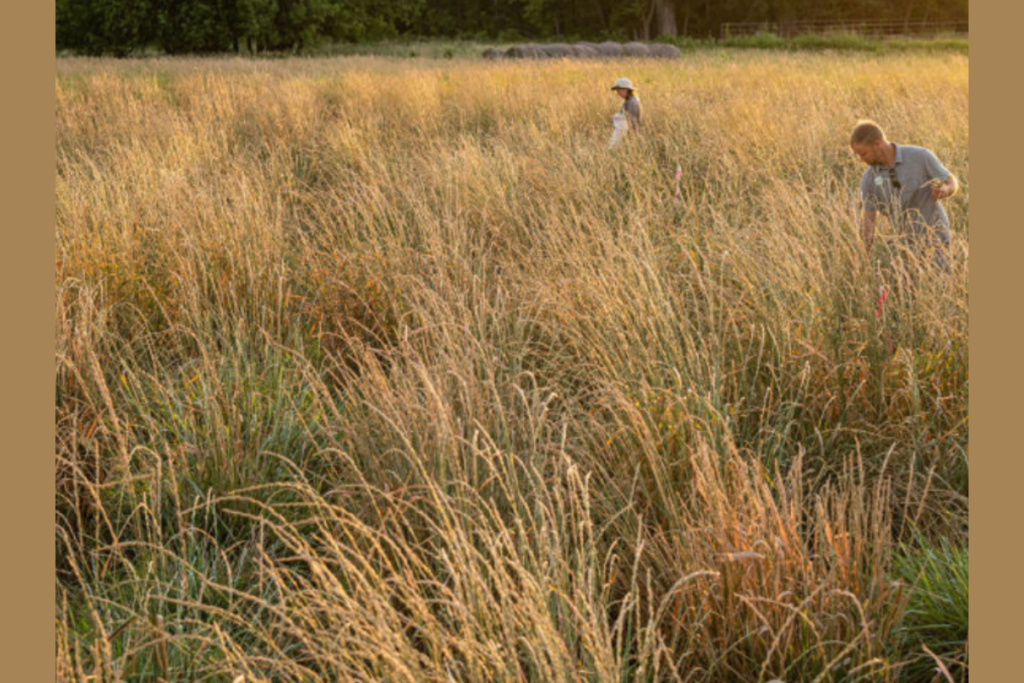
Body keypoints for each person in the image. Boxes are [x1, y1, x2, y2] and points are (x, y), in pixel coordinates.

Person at [850, 120, 959, 268]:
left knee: (940, 284)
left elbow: (950, 180)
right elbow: (868, 222)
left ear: (877, 144)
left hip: (936, 237)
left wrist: (945, 189)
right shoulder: (868, 179)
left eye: (863, 154)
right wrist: (862, 259)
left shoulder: (920, 156)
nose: (861, 160)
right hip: (904, 246)